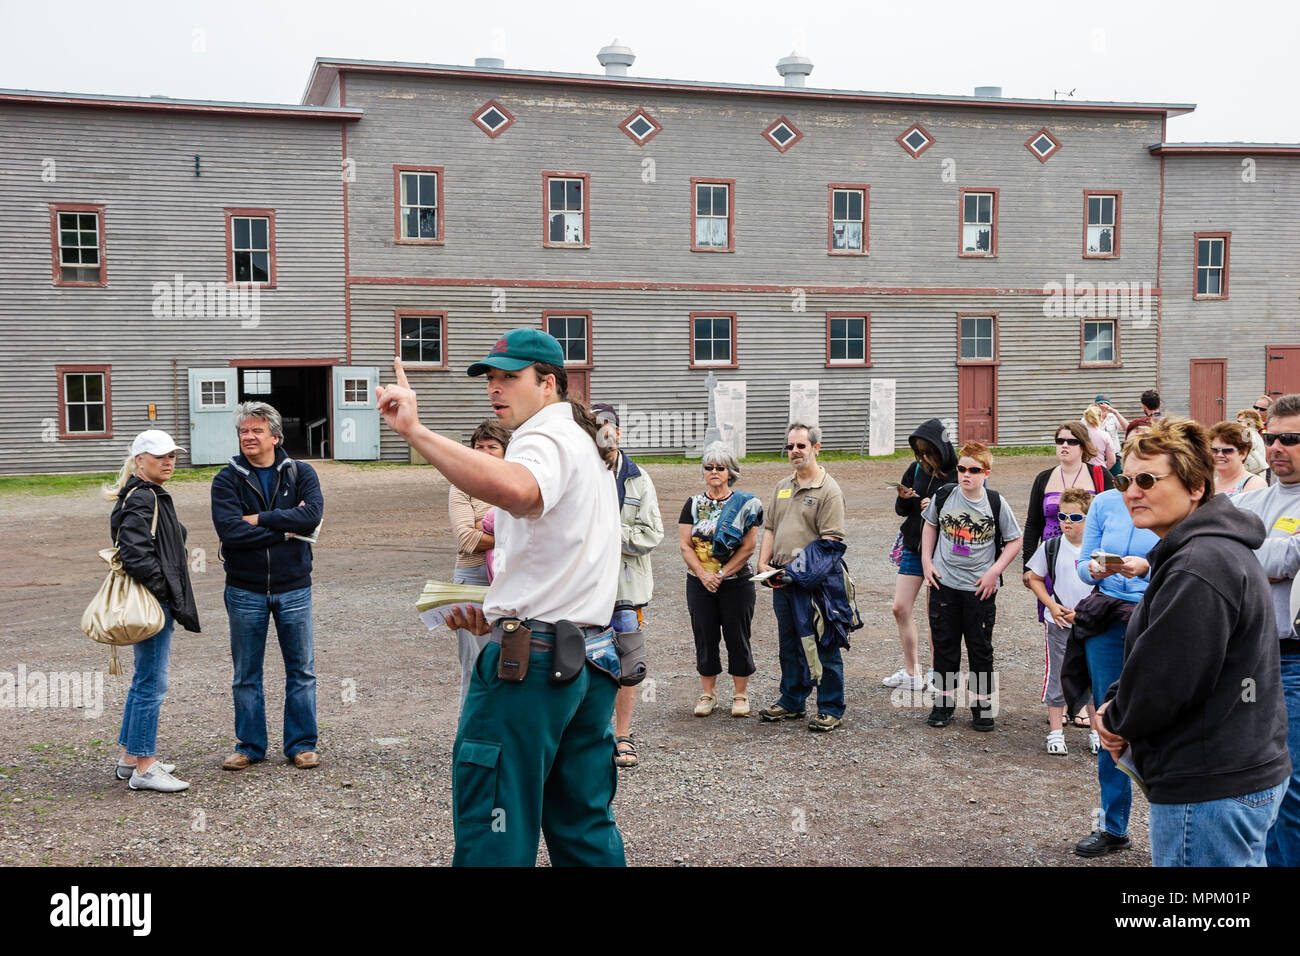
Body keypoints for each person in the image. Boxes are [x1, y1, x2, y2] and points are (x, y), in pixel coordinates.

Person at [376, 328, 625, 866]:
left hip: (532, 667)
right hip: (588, 655)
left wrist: (416, 432)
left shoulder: (543, 436)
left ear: (549, 383)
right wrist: (495, 612)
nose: (496, 389)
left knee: (496, 825)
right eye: (491, 378)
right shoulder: (584, 444)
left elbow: (516, 489)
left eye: (510, 377)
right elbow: (557, 559)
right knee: (582, 823)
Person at [1095, 418, 1289, 866]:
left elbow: (1167, 678)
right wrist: (1117, 703)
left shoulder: (1199, 564)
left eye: (1147, 479)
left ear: (1196, 486)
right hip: (1234, 771)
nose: (1131, 492)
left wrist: (1117, 718)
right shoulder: (1206, 549)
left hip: (1210, 782)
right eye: (1126, 479)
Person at [211, 402, 325, 771]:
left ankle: (301, 744)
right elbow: (229, 531)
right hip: (245, 589)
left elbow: (312, 516)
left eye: (256, 431)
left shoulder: (301, 473)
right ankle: (250, 746)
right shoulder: (226, 479)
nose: (248, 436)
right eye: (244, 431)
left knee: (301, 670)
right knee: (246, 673)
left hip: (294, 587)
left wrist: (259, 520)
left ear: (275, 437)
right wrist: (287, 531)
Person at [104, 430, 200, 793]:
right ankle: (145, 765)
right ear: (139, 459)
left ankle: (130, 758)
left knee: (144, 678)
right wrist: (166, 591)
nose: (169, 461)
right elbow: (135, 554)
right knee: (152, 684)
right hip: (151, 603)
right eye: (161, 456)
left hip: (150, 600)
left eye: (172, 455)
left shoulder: (139, 493)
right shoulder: (143, 497)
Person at [1070, 475, 1159, 857]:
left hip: (1157, 616)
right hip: (1106, 620)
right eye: (1126, 473)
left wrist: (1147, 569)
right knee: (1108, 720)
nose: (1131, 485)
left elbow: (1188, 562)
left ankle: (1170, 830)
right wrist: (1095, 570)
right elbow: (1082, 563)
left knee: (1161, 721)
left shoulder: (1170, 501)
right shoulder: (1105, 503)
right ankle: (1113, 827)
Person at [1233, 393, 1300, 866]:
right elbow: (1226, 555)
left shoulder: (1247, 509)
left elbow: (1286, 557)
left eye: (1291, 438)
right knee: (1251, 779)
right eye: (1270, 437)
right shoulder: (1250, 499)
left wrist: (1247, 555)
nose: (1277, 447)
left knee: (1292, 789)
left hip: (1294, 664)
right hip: (1249, 659)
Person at [920, 441, 1022, 731]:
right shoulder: (944, 496)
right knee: (944, 646)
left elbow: (1014, 540)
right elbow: (930, 525)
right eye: (962, 469)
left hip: (979, 588)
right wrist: (927, 561)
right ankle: (943, 705)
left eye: (973, 470)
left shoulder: (995, 502)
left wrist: (995, 572)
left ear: (985, 472)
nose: (966, 475)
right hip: (944, 584)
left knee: (980, 649)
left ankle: (982, 707)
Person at [758, 423, 849, 731]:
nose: (794, 451)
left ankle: (830, 706)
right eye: (790, 447)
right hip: (780, 579)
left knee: (824, 642)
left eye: (801, 446)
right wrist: (762, 564)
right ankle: (792, 700)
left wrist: (797, 573)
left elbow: (831, 542)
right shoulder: (782, 485)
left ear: (816, 448)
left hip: (815, 583)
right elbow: (770, 526)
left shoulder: (829, 490)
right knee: (790, 643)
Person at [592, 402, 664, 769]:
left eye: (606, 426)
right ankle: (590, 736)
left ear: (617, 433)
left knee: (628, 664)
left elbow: (652, 534)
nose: (600, 432)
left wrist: (607, 533)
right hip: (584, 590)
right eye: (592, 426)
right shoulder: (577, 474)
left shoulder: (638, 478)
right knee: (583, 661)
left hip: (625, 591)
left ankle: (622, 735)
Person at [679, 443, 760, 720]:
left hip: (736, 582)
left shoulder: (746, 504)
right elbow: (685, 545)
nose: (713, 472)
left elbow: (748, 547)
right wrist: (704, 575)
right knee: (705, 635)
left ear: (730, 472)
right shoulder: (692, 503)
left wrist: (721, 574)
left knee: (738, 636)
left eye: (719, 468)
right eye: (709, 467)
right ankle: (708, 693)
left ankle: (740, 694)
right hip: (699, 583)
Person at [884, 419, 957, 691]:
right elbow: (901, 511)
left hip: (943, 553)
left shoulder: (957, 472)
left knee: (935, 616)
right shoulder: (915, 469)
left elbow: (966, 511)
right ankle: (912, 672)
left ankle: (939, 677)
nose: (925, 457)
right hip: (914, 546)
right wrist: (905, 498)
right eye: (921, 452)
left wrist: (937, 504)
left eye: (930, 452)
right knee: (900, 607)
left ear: (941, 448)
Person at [1025, 488, 1095, 754]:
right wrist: (1052, 606)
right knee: (1057, 674)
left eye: (1075, 517)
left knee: (1094, 676)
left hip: (1091, 623)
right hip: (1059, 621)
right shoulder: (1050, 546)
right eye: (1062, 515)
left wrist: (1086, 614)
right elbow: (1034, 577)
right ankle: (1056, 731)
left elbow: (1108, 585)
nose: (1067, 521)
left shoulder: (1098, 548)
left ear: (1089, 519)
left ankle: (1096, 730)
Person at [448, 420, 511, 711]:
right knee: (475, 667)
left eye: (492, 447)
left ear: (505, 451)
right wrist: (507, 534)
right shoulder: (462, 485)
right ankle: (470, 741)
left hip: (509, 580)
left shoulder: (516, 486)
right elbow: (466, 539)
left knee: (512, 663)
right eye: (479, 447)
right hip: (472, 578)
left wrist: (482, 526)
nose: (484, 452)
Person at [1209, 421, 1267, 496]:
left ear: (1243, 453)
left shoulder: (1255, 484)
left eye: (1227, 451)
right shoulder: (1208, 485)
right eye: (1214, 450)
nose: (1219, 455)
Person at [1082, 405, 1117, 470]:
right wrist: (1102, 470)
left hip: (1082, 470)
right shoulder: (1105, 435)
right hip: (1099, 470)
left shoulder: (1079, 435)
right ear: (1100, 418)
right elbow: (1112, 461)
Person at [1237, 408, 1269, 478]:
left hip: (1251, 475)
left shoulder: (1248, 435)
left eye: (1240, 421)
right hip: (1258, 475)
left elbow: (1245, 456)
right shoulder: (1255, 434)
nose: (1237, 424)